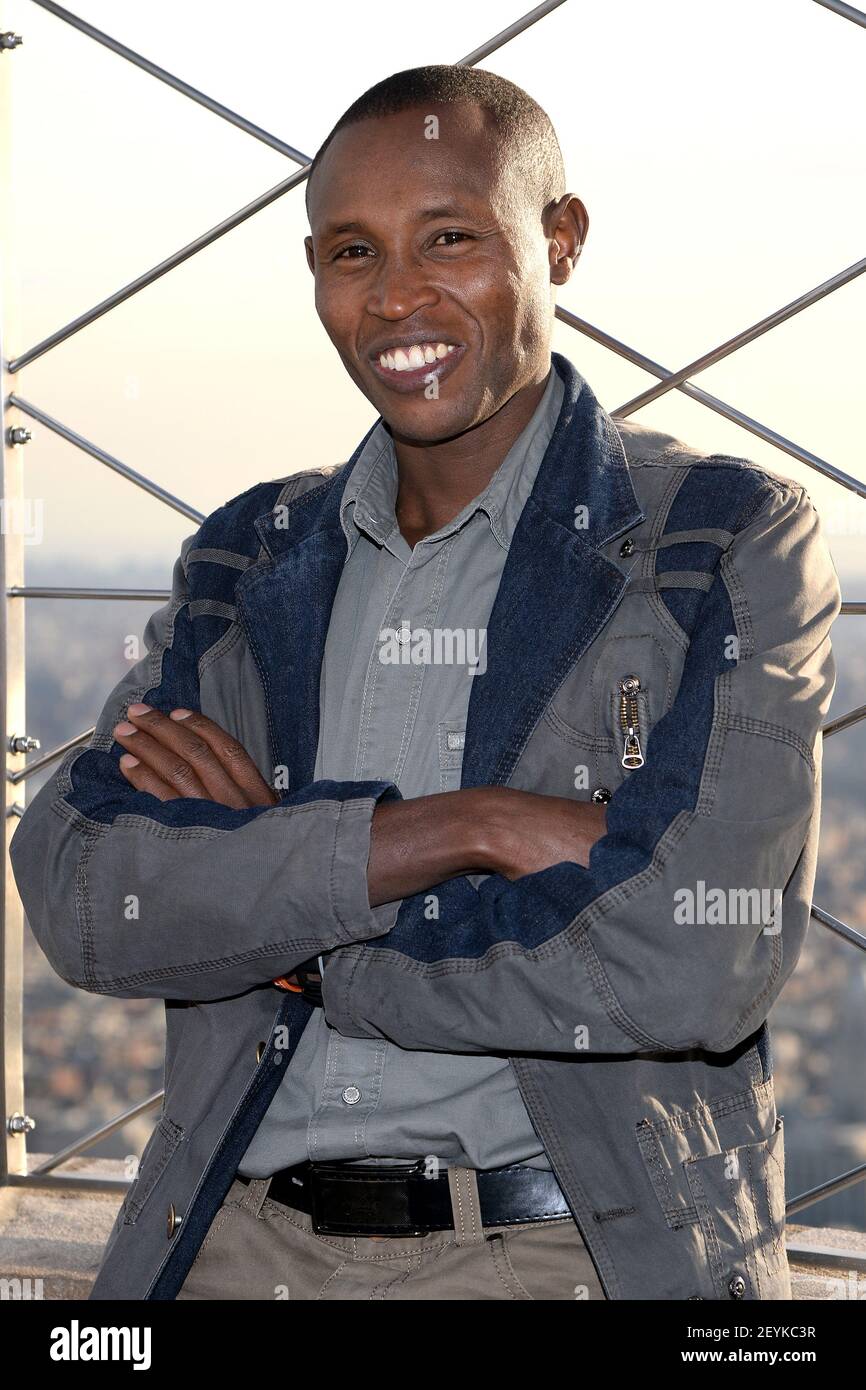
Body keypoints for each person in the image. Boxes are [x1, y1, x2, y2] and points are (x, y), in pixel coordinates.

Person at [10, 64, 841, 1301]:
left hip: (567, 1254)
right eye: (349, 251)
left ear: (558, 242)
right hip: (227, 1246)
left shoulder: (715, 536)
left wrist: (290, 910)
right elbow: (82, 889)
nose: (395, 294)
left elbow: (690, 956)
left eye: (447, 238)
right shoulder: (253, 555)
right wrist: (466, 830)